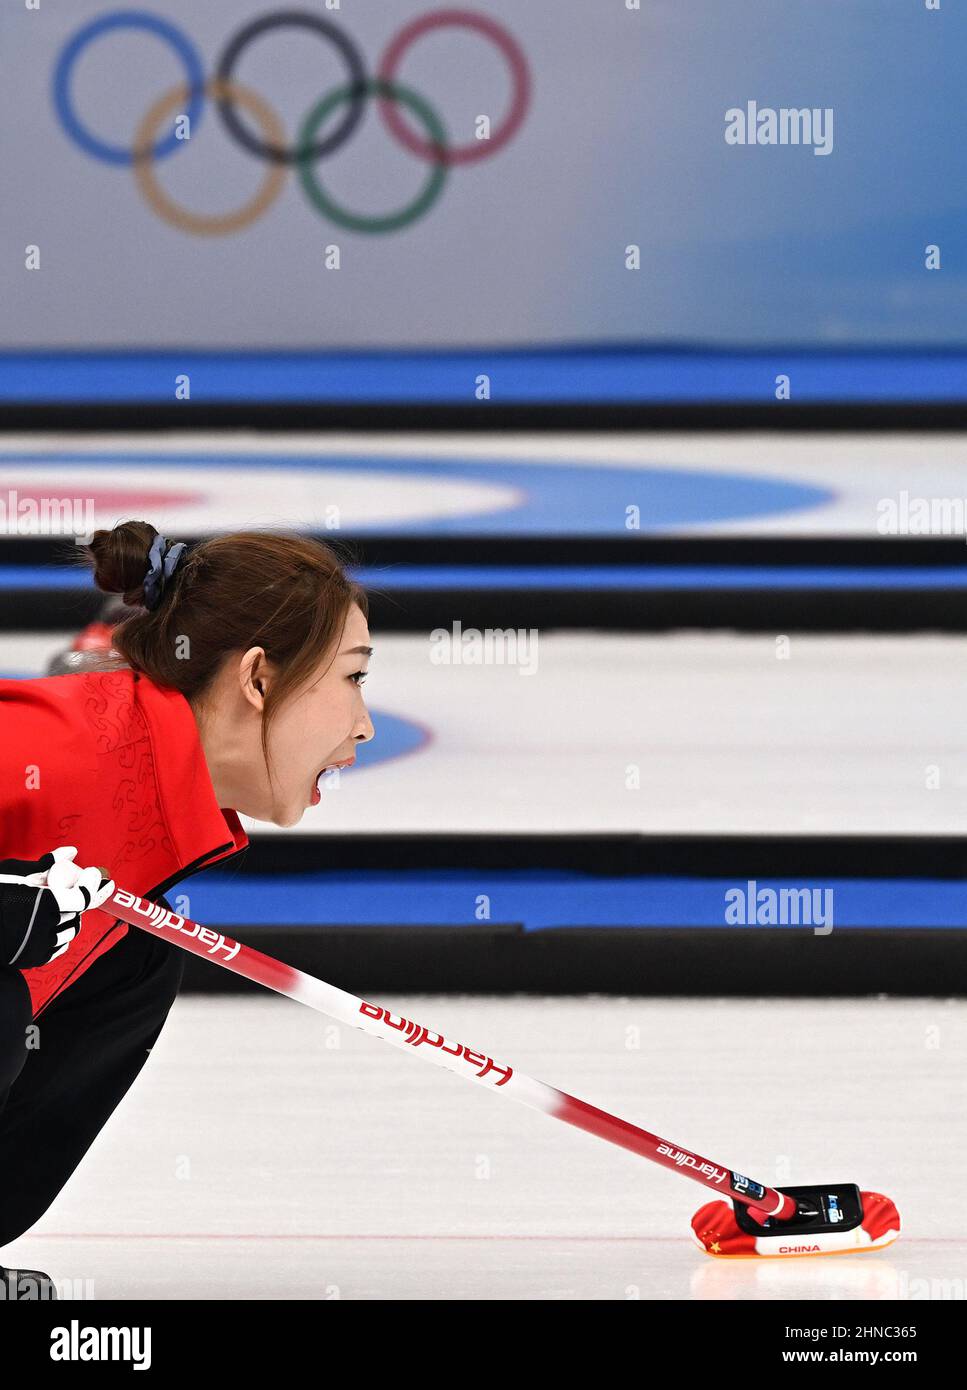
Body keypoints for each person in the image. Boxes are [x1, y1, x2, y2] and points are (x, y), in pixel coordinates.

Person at [0, 520, 374, 1298]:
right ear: (259, 679)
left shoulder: (142, 791)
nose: (362, 725)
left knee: (139, 955)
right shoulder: (53, 750)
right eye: (351, 678)